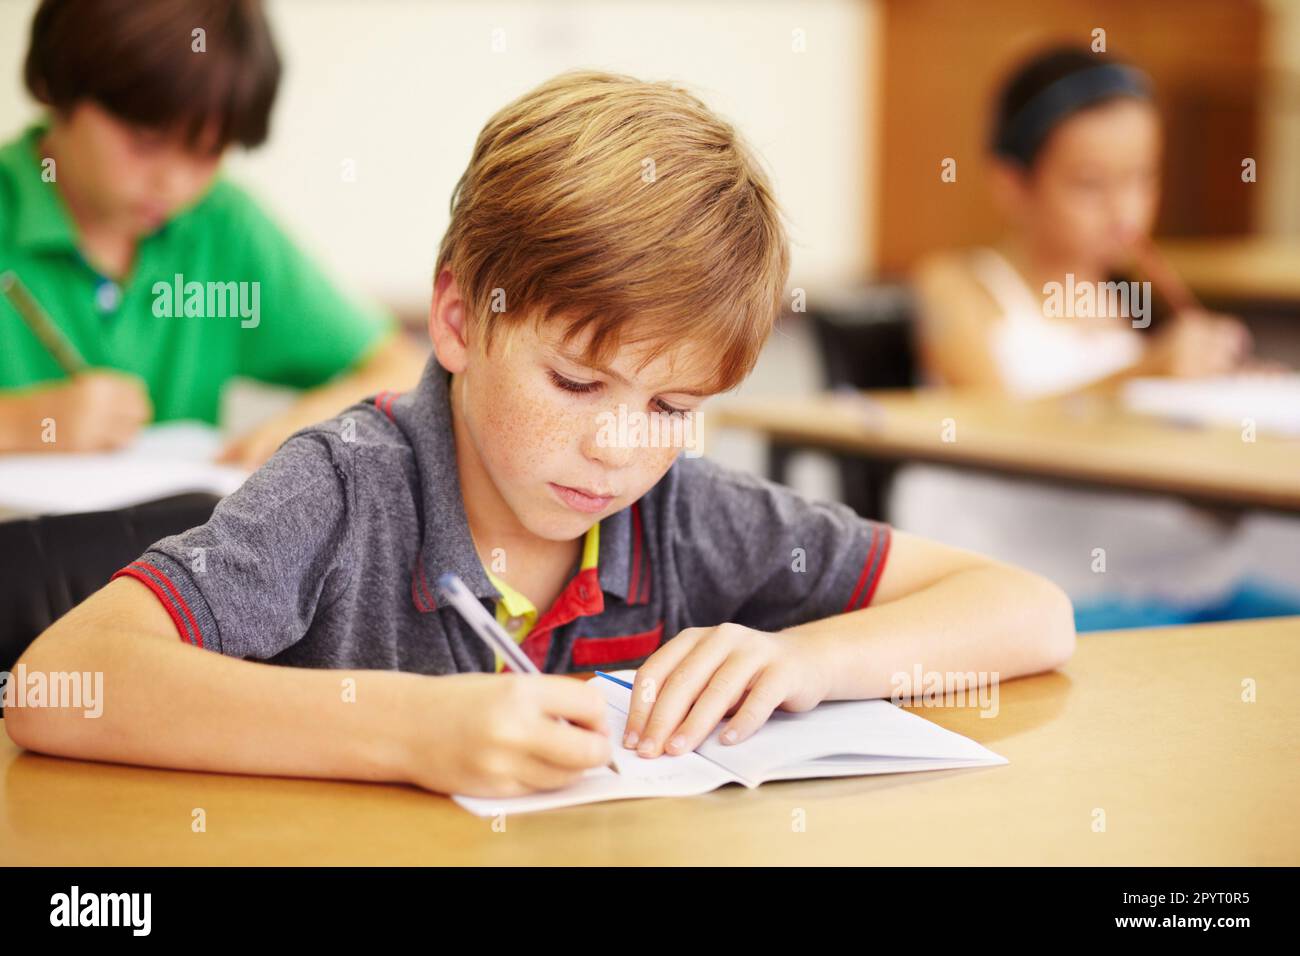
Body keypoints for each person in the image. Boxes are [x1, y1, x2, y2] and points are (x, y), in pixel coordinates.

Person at [8, 70, 1075, 799]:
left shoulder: (684, 511)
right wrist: (408, 731)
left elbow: (1029, 611)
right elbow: (65, 681)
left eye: (668, 406)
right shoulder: (345, 489)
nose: (617, 445)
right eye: (575, 379)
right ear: (461, 319)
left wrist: (803, 658)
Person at [0, 0, 425, 468]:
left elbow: (400, 367)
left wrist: (313, 425)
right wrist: (24, 422)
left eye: (206, 153)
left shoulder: (221, 225)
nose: (174, 184)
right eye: (146, 142)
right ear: (54, 87)